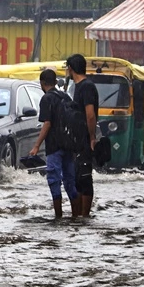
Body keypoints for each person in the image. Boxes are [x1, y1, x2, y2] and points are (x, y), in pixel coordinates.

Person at [29, 68, 77, 219]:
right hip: (69, 145)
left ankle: (58, 216)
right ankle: (76, 216)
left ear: (42, 83)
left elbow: (47, 124)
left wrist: (36, 145)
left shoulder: (46, 99)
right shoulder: (66, 97)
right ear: (55, 82)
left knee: (54, 180)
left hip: (54, 147)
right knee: (70, 180)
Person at [67, 53, 98, 218]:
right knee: (77, 177)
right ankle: (77, 215)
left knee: (85, 177)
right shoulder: (77, 87)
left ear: (71, 68)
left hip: (85, 140)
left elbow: (90, 114)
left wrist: (92, 137)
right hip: (76, 140)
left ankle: (85, 215)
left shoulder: (86, 87)